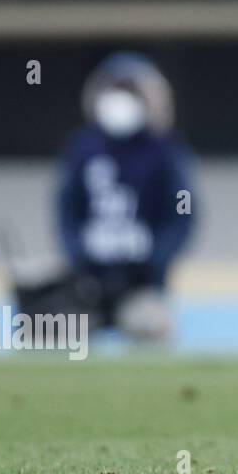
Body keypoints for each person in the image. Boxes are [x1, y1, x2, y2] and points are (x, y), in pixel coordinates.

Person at [46, 52, 196, 343]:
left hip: (142, 286)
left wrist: (155, 262)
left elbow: (183, 214)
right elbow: (66, 211)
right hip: (88, 286)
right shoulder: (82, 149)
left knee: (149, 326)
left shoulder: (166, 152)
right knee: (53, 331)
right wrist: (77, 258)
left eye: (129, 91)